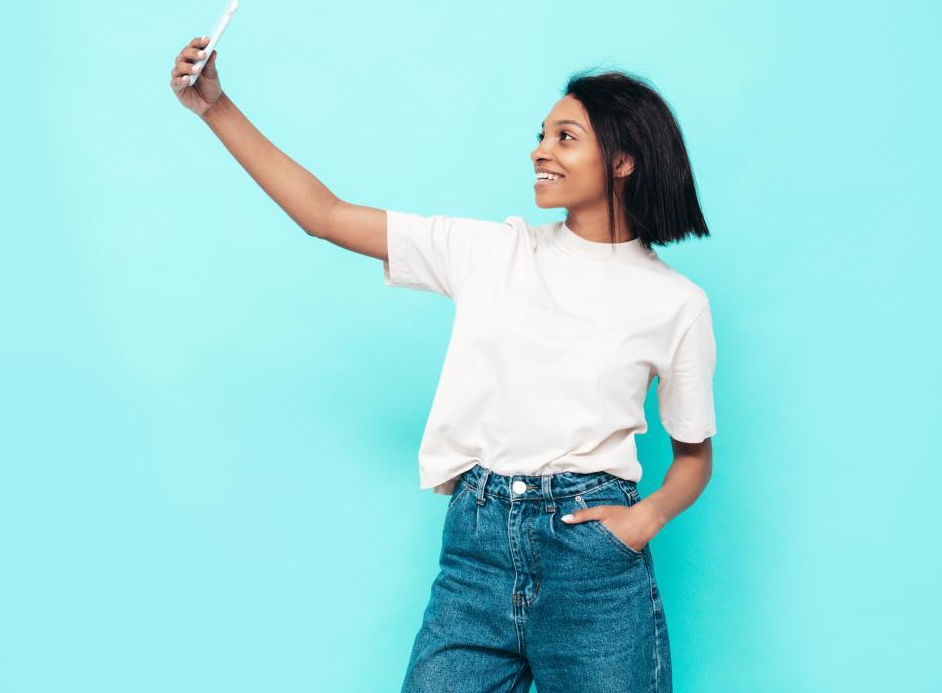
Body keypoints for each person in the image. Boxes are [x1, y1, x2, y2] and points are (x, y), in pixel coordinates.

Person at [171, 37, 716, 693]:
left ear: (623, 160)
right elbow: (326, 215)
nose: (540, 150)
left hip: (590, 558)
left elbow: (693, 458)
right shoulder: (490, 252)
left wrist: (641, 521)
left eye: (565, 137)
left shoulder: (676, 303)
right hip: (477, 549)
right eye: (541, 135)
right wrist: (216, 106)